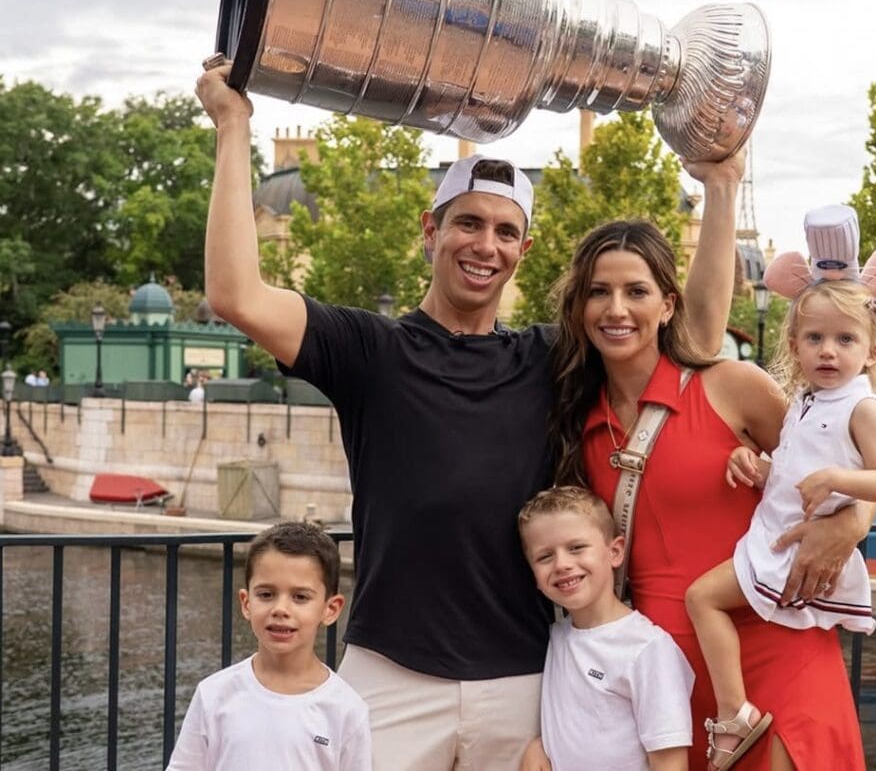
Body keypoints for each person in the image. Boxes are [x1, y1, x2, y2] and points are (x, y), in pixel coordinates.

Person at [195, 57, 742, 769]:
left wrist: (722, 188)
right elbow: (235, 293)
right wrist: (233, 125)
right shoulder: (370, 349)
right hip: (392, 669)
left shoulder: (550, 357)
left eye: (506, 232)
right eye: (469, 224)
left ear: (524, 250)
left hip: (524, 674)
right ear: (431, 230)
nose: (486, 246)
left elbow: (692, 335)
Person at [549, 218, 876, 771]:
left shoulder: (731, 385)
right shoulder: (574, 418)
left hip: (779, 651)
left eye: (636, 291)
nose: (616, 309)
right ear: (579, 306)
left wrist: (853, 523)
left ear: (667, 306)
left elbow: (850, 460)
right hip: (667, 679)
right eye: (598, 292)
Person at [685, 205, 876, 769]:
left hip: (785, 549)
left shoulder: (862, 407)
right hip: (778, 536)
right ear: (795, 345)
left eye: (844, 339)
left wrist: (838, 480)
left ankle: (733, 714)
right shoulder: (808, 403)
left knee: (700, 598)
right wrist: (757, 467)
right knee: (706, 601)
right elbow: (791, 470)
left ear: (872, 350)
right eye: (815, 338)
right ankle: (735, 710)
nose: (828, 350)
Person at [167, 521, 370, 770]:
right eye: (266, 595)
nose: (280, 609)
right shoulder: (213, 695)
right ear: (246, 603)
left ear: (331, 609)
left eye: (300, 597)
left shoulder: (346, 709)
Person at [518, 486, 694, 771]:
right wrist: (541, 744)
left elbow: (670, 763)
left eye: (576, 548)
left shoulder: (648, 648)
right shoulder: (558, 637)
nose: (562, 564)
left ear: (615, 552)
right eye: (545, 557)